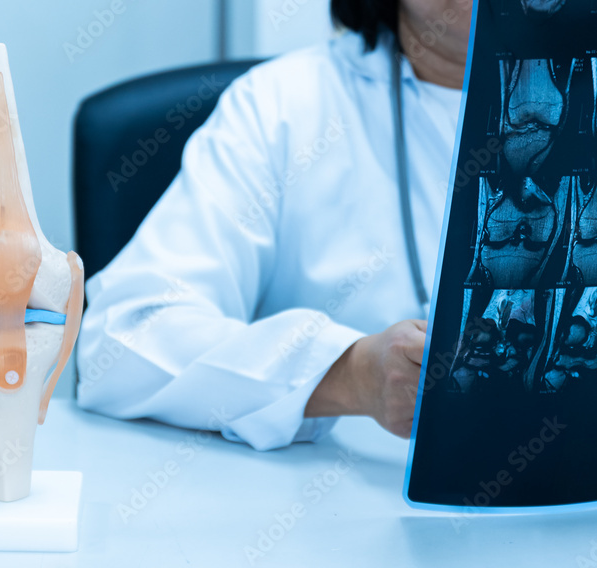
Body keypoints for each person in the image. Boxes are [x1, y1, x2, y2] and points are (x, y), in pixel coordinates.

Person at [76, 0, 472, 450]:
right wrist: (349, 373)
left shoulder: (572, 103)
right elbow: (122, 345)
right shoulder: (283, 106)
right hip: (335, 507)